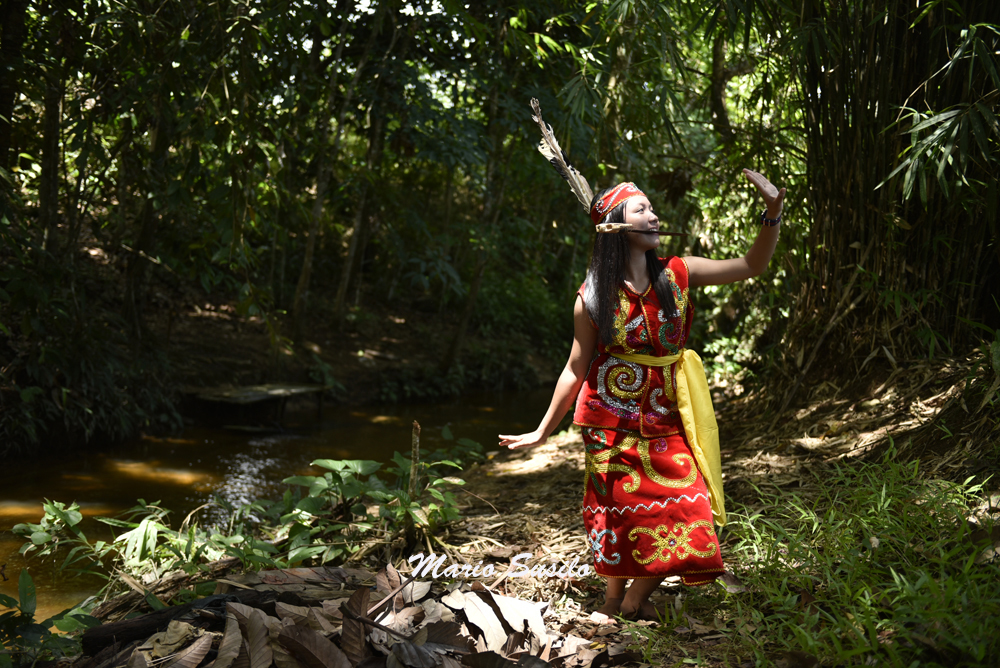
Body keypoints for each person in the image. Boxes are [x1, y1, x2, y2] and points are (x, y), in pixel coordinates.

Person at [499, 170, 785, 621]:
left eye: (652, 208)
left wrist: (772, 212)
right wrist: (541, 431)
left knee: (692, 506)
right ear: (614, 226)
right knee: (617, 511)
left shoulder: (679, 273)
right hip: (607, 421)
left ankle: (633, 600)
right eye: (642, 209)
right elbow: (576, 367)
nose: (655, 215)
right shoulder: (591, 296)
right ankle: (615, 600)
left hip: (670, 417)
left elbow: (752, 266)